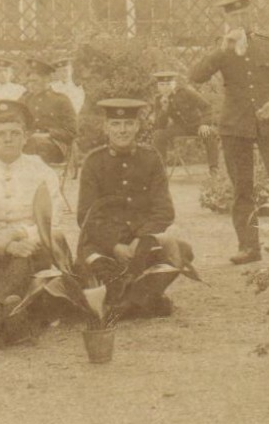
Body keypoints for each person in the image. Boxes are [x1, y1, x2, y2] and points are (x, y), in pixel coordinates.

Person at [188, 0, 269, 264]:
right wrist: (222, 50)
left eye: (244, 15)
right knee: (242, 187)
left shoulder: (268, 47)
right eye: (233, 16)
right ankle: (249, 247)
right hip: (235, 126)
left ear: (251, 16)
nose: (240, 19)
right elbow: (195, 77)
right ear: (226, 20)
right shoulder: (222, 50)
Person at [0, 100, 69, 348]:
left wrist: (19, 233)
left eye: (15, 133)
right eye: (1, 134)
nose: (8, 139)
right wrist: (7, 246)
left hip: (37, 248)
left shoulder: (41, 171)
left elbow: (53, 222)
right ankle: (13, 317)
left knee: (23, 259)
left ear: (26, 137)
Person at [77, 99, 193, 318]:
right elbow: (86, 216)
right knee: (101, 272)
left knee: (182, 251)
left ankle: (129, 303)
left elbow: (164, 210)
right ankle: (145, 299)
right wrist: (114, 245)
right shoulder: (93, 162)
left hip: (141, 244)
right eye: (116, 124)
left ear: (138, 126)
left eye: (128, 123)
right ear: (106, 127)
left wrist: (142, 238)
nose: (123, 130)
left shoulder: (151, 158)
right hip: (104, 246)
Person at [149, 71, 221, 176]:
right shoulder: (159, 99)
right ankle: (161, 170)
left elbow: (206, 107)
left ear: (174, 84)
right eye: (162, 85)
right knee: (158, 135)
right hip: (180, 128)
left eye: (168, 84)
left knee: (210, 134)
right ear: (158, 87)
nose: (165, 88)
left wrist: (204, 124)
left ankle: (214, 169)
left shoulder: (186, 92)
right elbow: (160, 125)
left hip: (197, 125)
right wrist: (164, 109)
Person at [22, 59, 77, 167]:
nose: (31, 85)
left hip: (56, 146)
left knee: (35, 143)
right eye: (29, 81)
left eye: (35, 81)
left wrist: (48, 134)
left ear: (47, 80)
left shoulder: (61, 100)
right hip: (29, 143)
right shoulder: (25, 100)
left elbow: (72, 132)